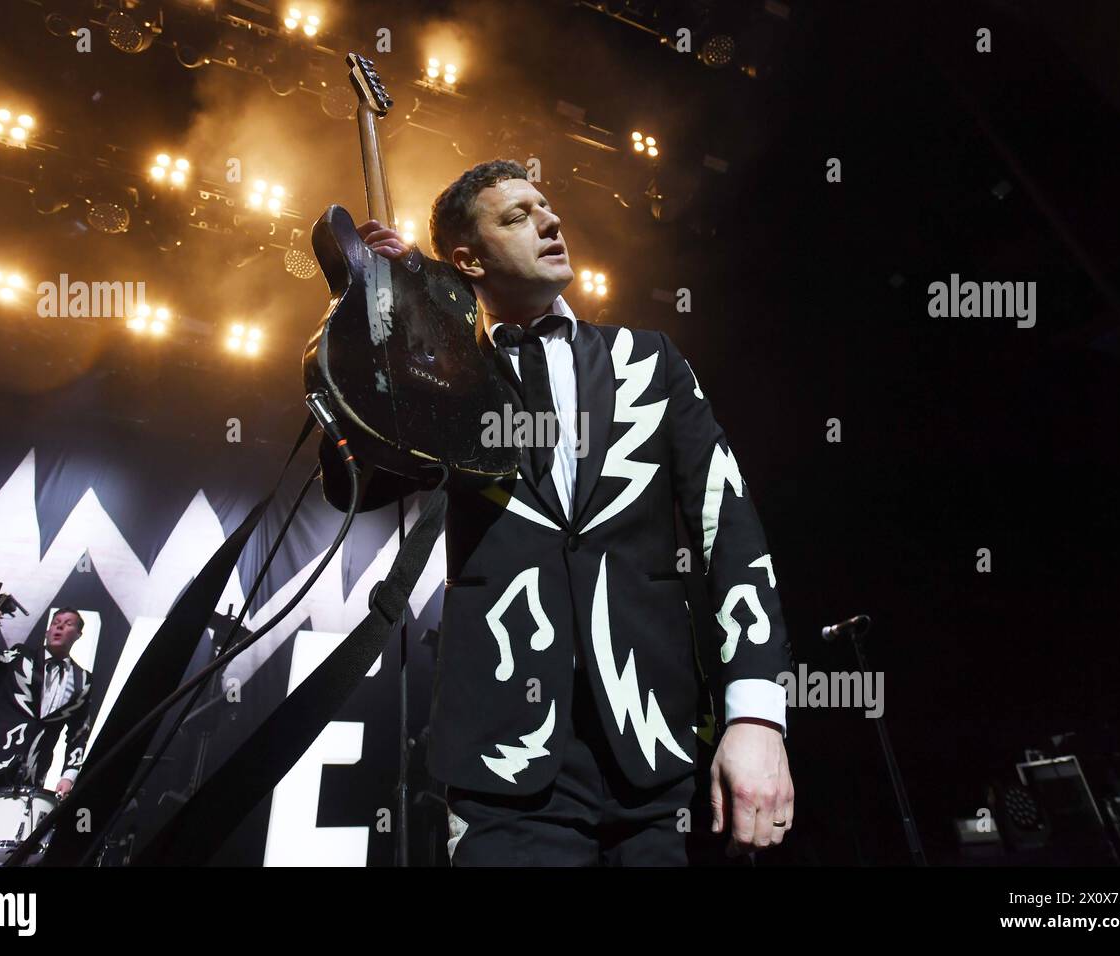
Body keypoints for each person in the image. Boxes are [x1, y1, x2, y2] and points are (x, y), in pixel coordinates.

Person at [321, 159, 794, 865]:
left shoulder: (649, 361)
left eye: (546, 207)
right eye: (518, 215)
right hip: (501, 759)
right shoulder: (446, 376)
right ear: (468, 259)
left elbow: (730, 530)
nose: (549, 221)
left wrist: (756, 714)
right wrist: (375, 319)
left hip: (659, 749)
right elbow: (352, 484)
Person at [0, 606, 93, 811]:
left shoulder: (83, 681)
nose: (60, 626)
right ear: (48, 630)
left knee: (13, 827)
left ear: (78, 634)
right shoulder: (20, 657)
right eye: (55, 622)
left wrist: (69, 775)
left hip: (31, 777)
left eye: (68, 623)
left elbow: (79, 732)